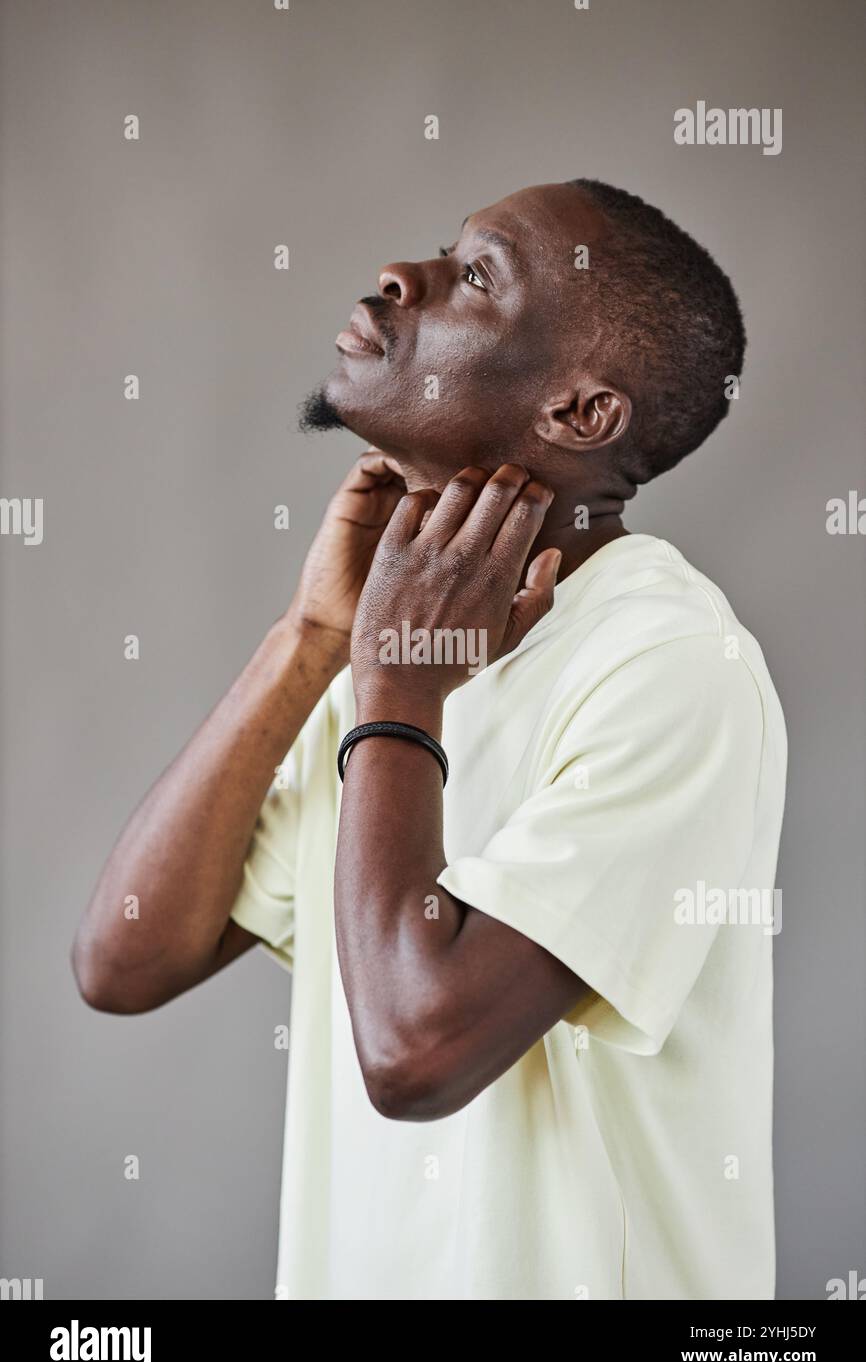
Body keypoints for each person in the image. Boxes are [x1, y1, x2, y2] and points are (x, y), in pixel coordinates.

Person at [73, 179, 787, 1300]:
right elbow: (124, 960)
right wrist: (312, 640)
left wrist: (399, 692)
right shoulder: (382, 646)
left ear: (578, 415)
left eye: (478, 278)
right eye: (443, 253)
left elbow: (415, 1055)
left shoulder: (670, 666)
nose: (404, 276)